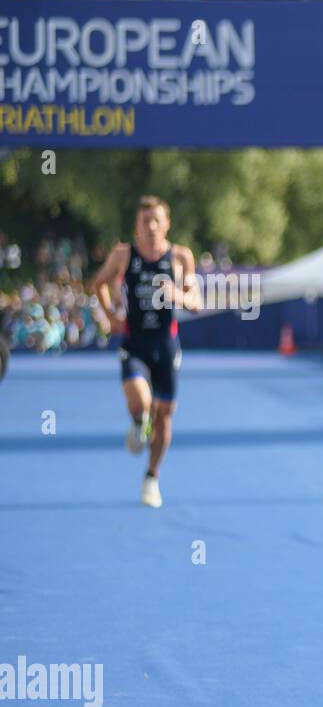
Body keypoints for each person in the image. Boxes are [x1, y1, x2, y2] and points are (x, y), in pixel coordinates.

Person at [90, 196, 202, 508]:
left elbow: (196, 302)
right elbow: (98, 283)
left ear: (167, 224)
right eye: (144, 221)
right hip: (134, 342)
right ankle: (140, 421)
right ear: (136, 226)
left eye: (157, 220)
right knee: (142, 399)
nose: (151, 227)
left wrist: (176, 294)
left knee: (165, 415)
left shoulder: (180, 257)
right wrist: (111, 318)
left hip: (166, 345)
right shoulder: (123, 255)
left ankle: (151, 477)